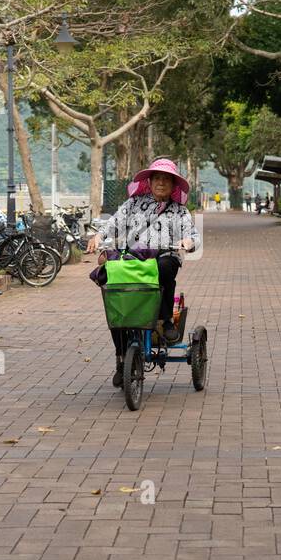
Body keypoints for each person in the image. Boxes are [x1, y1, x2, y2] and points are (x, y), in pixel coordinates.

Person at [87, 157, 199, 387]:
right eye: (157, 178)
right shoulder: (134, 204)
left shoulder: (180, 211)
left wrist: (187, 242)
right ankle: (121, 360)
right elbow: (113, 224)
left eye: (166, 179)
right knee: (113, 289)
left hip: (164, 256)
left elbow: (193, 235)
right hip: (133, 258)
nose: (161, 183)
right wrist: (98, 237)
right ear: (149, 182)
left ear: (173, 185)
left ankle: (165, 320)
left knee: (163, 268)